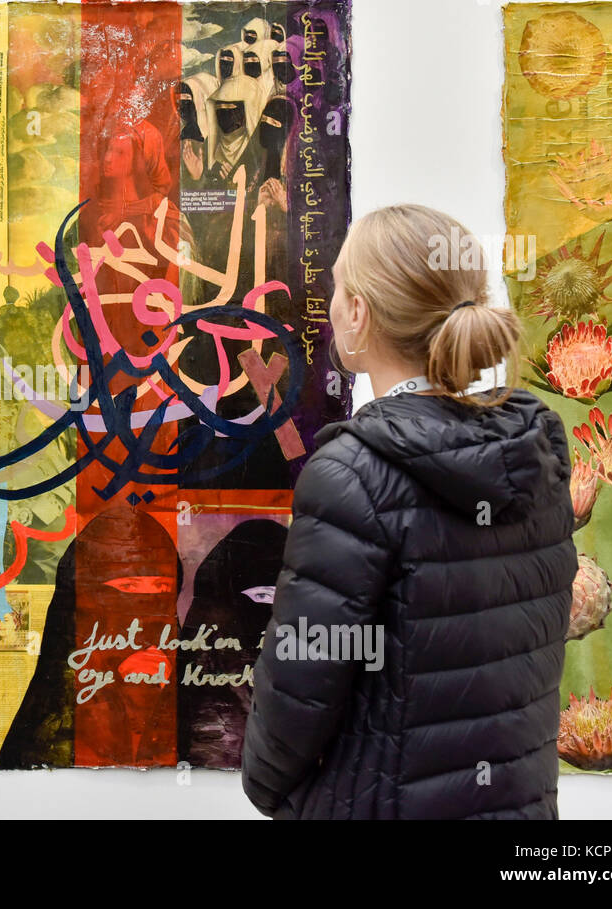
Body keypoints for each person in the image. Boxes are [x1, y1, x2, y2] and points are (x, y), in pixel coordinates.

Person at [241, 204, 578, 819]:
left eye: (338, 287)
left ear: (360, 314)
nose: (333, 301)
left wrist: (274, 793)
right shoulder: (538, 448)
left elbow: (301, 685)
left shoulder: (352, 474)